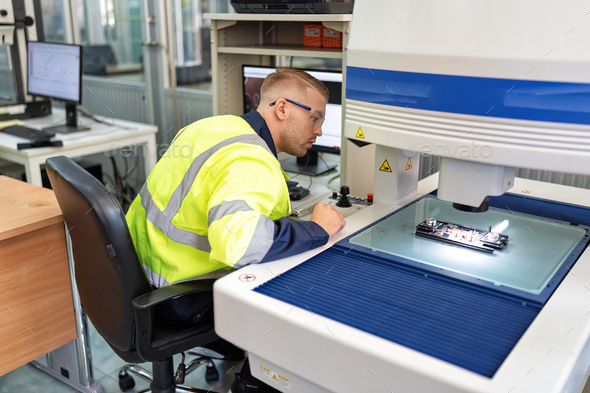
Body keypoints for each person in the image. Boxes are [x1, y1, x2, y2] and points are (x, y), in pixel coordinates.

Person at [126, 67, 346, 324]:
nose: (319, 131)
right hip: (179, 296)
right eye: (315, 119)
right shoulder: (252, 159)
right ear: (283, 108)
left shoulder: (210, 126)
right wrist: (316, 230)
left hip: (137, 274)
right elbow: (239, 245)